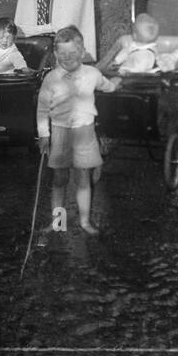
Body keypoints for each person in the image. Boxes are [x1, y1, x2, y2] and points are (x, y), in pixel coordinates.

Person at [36, 27, 120, 235]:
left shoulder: (92, 73)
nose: (68, 58)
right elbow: (42, 108)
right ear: (56, 54)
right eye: (62, 54)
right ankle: (58, 223)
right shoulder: (51, 79)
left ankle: (84, 221)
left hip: (84, 132)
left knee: (82, 179)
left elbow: (107, 86)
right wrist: (44, 135)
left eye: (73, 53)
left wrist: (117, 83)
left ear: (82, 53)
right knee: (59, 179)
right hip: (60, 132)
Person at [97, 13, 162, 75]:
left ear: (134, 35)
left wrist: (116, 62)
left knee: (120, 71)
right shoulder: (154, 49)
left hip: (129, 71)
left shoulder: (133, 46)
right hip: (147, 73)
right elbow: (159, 59)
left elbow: (123, 54)